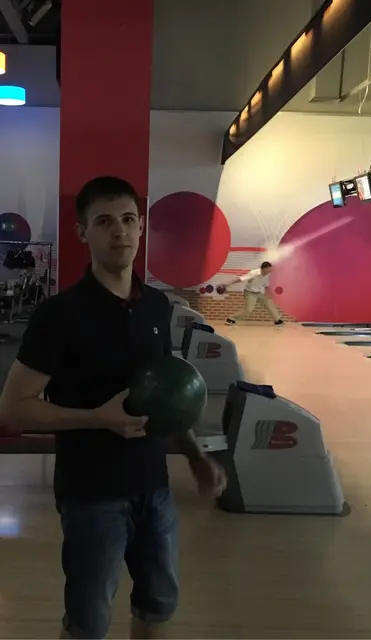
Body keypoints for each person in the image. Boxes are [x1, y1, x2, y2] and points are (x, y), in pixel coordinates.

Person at [0, 176, 227, 640]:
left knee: (158, 604)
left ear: (141, 227)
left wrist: (195, 455)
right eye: (104, 221)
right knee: (89, 622)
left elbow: (168, 395)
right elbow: (14, 408)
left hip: (154, 488)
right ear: (82, 232)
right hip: (92, 495)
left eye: (127, 219)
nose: (119, 230)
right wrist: (97, 418)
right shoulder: (59, 315)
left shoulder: (157, 306)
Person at [221, 261, 283, 326]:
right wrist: (228, 284)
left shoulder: (268, 274)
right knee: (248, 310)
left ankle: (277, 321)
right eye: (268, 269)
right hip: (249, 292)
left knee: (269, 304)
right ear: (264, 268)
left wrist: (269, 294)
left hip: (259, 292)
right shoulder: (254, 273)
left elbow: (266, 285)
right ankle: (231, 319)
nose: (270, 271)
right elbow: (240, 279)